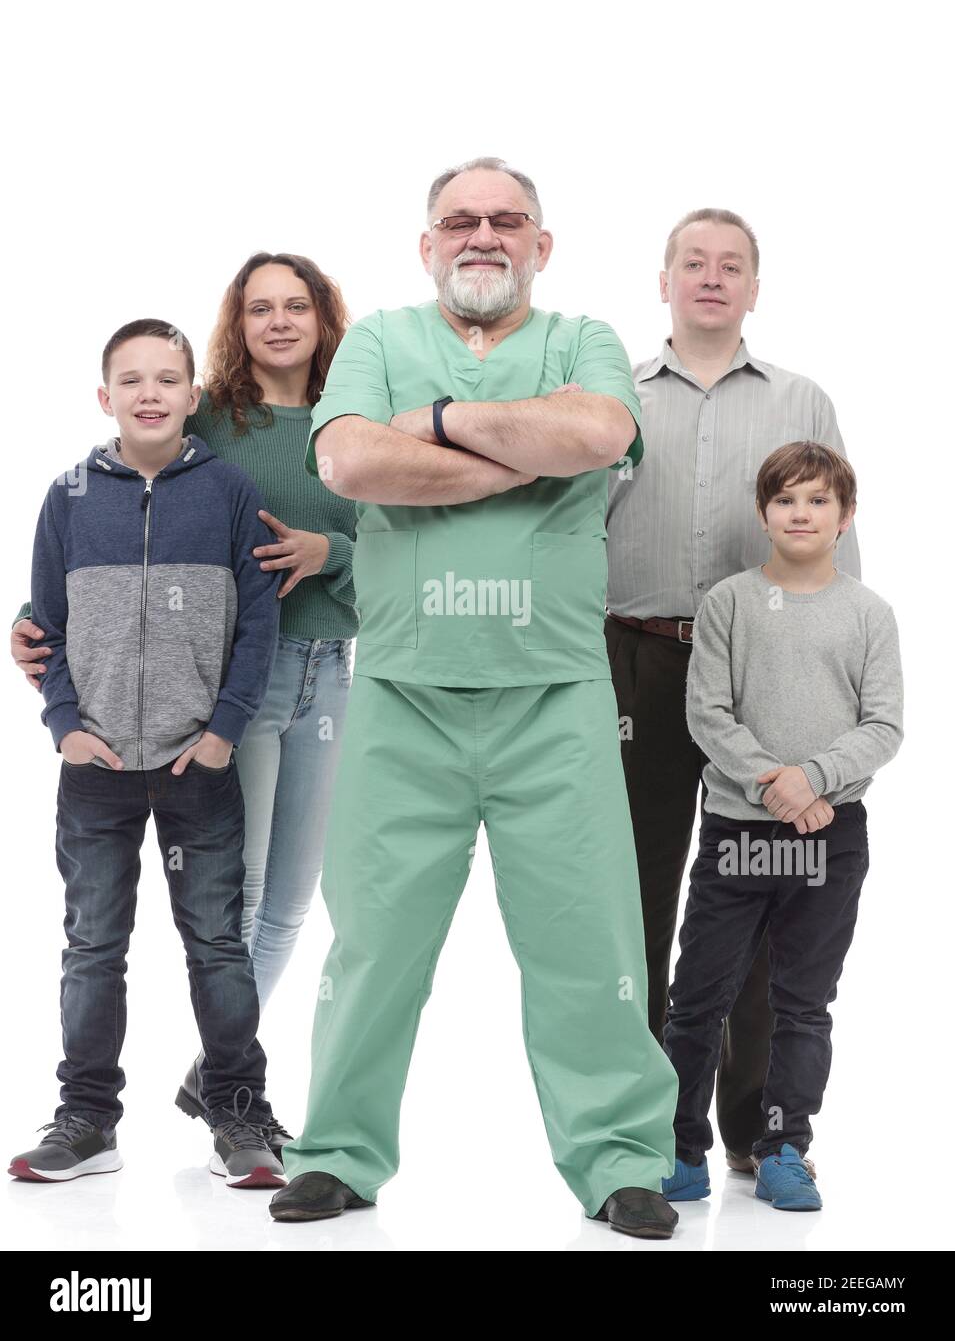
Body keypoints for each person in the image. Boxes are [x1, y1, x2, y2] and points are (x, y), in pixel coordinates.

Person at [268, 156, 681, 1242]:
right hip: (406, 695)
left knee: (591, 944)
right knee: (371, 946)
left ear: (540, 246)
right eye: (460, 220)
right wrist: (520, 451)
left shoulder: (584, 340)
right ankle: (339, 1154)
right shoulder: (375, 340)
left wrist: (439, 421)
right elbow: (352, 461)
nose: (483, 235)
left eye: (508, 220)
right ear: (427, 245)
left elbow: (595, 435)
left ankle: (621, 1159)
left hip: (556, 697)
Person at [10, 253, 356, 1159]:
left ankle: (220, 1087)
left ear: (325, 316)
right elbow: (80, 569)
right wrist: (50, 679)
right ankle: (140, 1107)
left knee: (281, 905)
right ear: (233, 328)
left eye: (296, 305)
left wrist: (336, 556)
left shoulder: (354, 420)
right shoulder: (204, 423)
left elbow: (393, 542)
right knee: (182, 923)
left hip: (316, 672)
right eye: (258, 308)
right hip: (207, 699)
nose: (278, 322)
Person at [604, 208, 862, 1176]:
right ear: (663, 279)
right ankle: (646, 1122)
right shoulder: (610, 398)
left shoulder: (801, 400)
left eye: (732, 266)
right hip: (634, 658)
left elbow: (840, 557)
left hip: (766, 674)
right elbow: (572, 531)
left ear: (754, 288)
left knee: (757, 894)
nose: (711, 278)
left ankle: (754, 1120)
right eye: (693, 263)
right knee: (635, 894)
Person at [660, 441, 902, 1210]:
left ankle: (782, 1146)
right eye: (786, 500)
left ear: (845, 516)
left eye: (818, 501)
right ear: (763, 513)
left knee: (802, 1001)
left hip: (831, 836)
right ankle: (679, 1146)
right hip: (737, 832)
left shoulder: (868, 613)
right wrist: (776, 784)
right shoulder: (729, 603)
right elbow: (707, 712)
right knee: (698, 995)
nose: (801, 513)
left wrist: (815, 781)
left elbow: (883, 725)